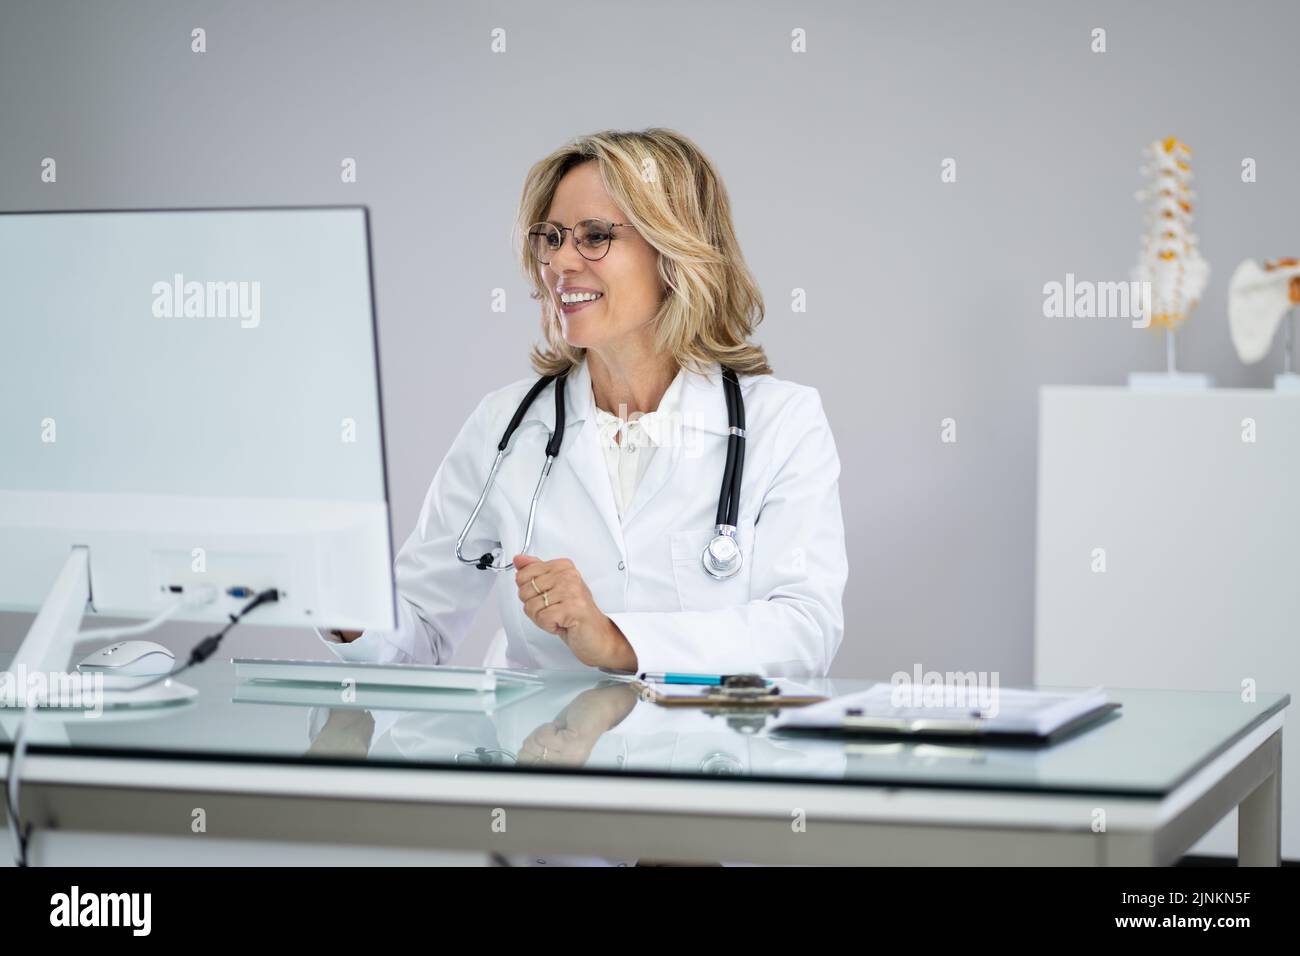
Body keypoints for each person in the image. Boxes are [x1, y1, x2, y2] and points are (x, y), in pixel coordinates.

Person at [321, 128, 847, 677]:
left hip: (707, 757)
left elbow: (804, 631)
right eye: (551, 237)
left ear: (674, 250)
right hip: (544, 753)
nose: (560, 263)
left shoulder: (780, 422)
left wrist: (617, 640)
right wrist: (343, 601)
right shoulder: (505, 426)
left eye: (594, 236)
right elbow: (420, 635)